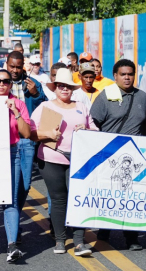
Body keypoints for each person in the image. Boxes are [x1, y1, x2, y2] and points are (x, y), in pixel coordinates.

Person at [29, 68, 97, 256]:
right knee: (59, 200)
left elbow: (95, 130)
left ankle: (78, 242)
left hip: (78, 159)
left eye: (67, 86)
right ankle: (60, 241)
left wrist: (86, 129)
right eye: (61, 86)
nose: (64, 89)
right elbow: (31, 133)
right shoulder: (45, 107)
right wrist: (48, 134)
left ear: (73, 89)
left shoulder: (81, 107)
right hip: (51, 157)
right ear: (55, 88)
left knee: (77, 199)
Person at [90, 59, 146, 251]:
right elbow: (93, 123)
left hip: (134, 156)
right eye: (123, 74)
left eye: (130, 74)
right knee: (110, 195)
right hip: (110, 155)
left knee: (132, 198)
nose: (127, 77)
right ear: (115, 76)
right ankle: (104, 233)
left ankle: (131, 237)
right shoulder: (104, 96)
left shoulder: (142, 97)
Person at [0, 51, 46, 234]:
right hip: (4, 141)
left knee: (25, 185)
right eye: (11, 66)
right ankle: (12, 227)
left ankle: (14, 217)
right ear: (6, 65)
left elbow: (44, 105)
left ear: (23, 67)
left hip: (26, 140)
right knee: (3, 186)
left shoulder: (33, 84)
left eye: (18, 67)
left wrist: (35, 94)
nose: (14, 70)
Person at [0, 69, 32, 263]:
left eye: (6, 81)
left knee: (10, 200)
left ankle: (12, 245)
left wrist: (15, 112)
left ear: (11, 84)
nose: (1, 84)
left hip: (12, 152)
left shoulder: (18, 103)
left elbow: (26, 133)